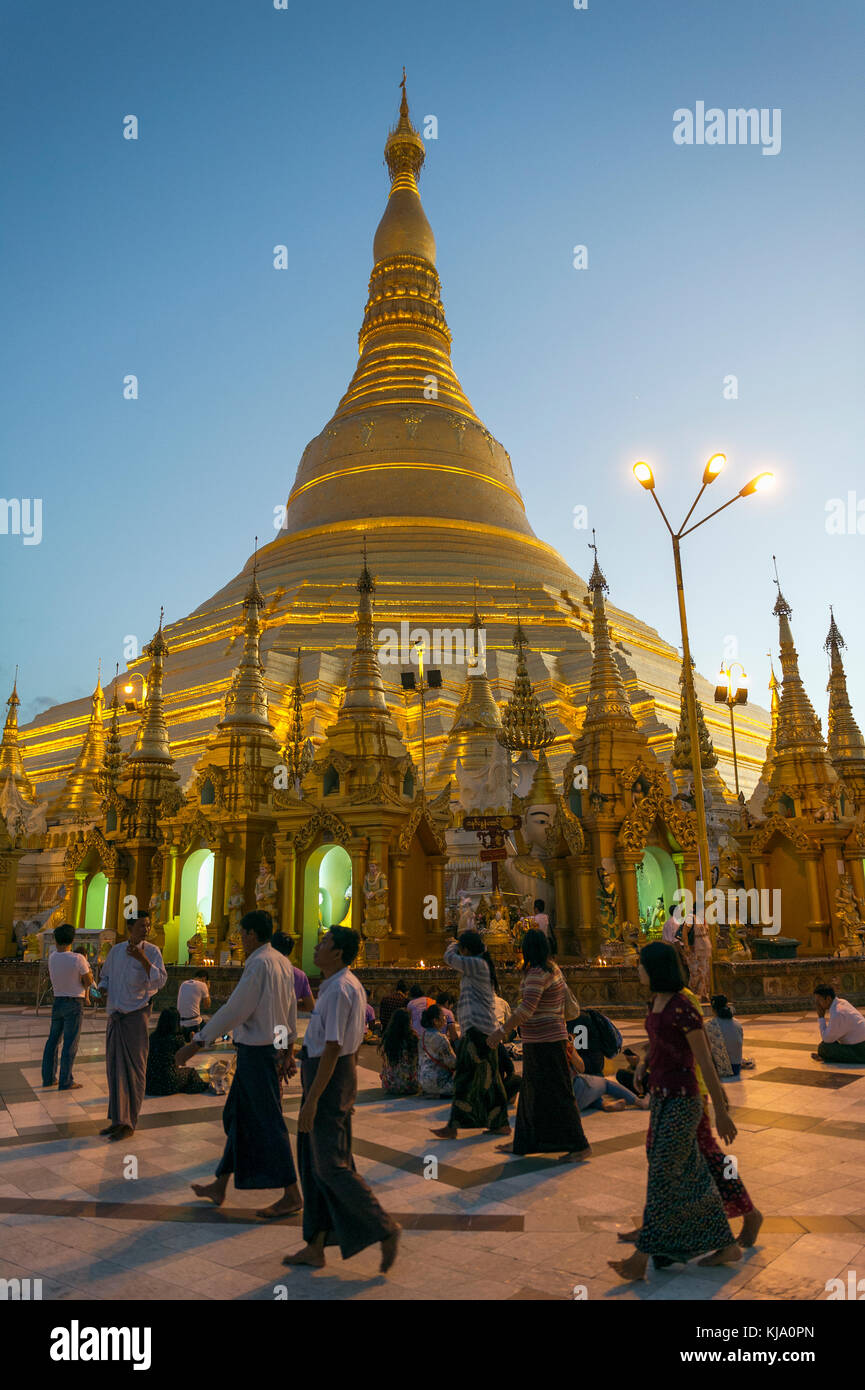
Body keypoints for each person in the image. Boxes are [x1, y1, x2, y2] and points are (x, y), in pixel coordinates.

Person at [609, 942, 742, 1281]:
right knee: (690, 1177)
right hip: (661, 1098)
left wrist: (722, 1109)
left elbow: (704, 1058)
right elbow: (658, 1041)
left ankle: (641, 1258)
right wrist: (643, 1065)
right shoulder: (657, 1001)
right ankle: (724, 1243)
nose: (636, 970)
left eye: (641, 965)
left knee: (664, 1177)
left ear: (656, 968)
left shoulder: (684, 1006)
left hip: (685, 1101)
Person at [283, 926, 400, 1273]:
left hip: (330, 1080)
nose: (316, 947)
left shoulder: (338, 991)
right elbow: (326, 1044)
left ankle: (384, 1226)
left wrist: (313, 1099)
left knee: (331, 1163)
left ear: (337, 953)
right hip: (326, 1073)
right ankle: (315, 1245)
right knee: (315, 1162)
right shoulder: (341, 984)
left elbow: (333, 1047)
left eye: (323, 943)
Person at [176, 911, 302, 1220]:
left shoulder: (259, 963)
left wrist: (197, 1042)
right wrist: (287, 1049)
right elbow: (289, 1009)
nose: (239, 939)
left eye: (241, 933)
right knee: (236, 1115)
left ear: (252, 935)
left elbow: (236, 1009)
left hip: (258, 1055)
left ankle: (292, 1193)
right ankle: (220, 1185)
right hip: (266, 1051)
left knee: (269, 1121)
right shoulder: (282, 962)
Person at [488, 928, 590, 1159]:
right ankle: (523, 1142)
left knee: (559, 1092)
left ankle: (579, 1144)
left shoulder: (537, 973)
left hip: (547, 1041)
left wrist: (501, 1032)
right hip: (543, 1040)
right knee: (532, 1093)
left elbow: (526, 1009)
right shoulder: (552, 968)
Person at [430, 930, 511, 1141]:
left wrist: (453, 943)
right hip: (480, 1029)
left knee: (465, 1077)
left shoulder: (476, 964)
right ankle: (499, 1123)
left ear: (466, 950)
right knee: (489, 1079)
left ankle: (454, 1126)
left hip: (478, 1030)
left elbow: (448, 958)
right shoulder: (477, 965)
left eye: (462, 949)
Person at [98, 912, 167, 1141]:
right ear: (129, 927)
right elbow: (105, 976)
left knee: (135, 1070)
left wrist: (142, 959)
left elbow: (160, 980)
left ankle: (130, 1122)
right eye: (141, 925)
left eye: (148, 925)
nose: (145, 929)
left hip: (136, 1015)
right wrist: (102, 988)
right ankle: (117, 1119)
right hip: (115, 1016)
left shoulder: (153, 951)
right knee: (114, 1069)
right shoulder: (116, 952)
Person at [41, 923, 92, 1091]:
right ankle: (66, 1080)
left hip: (58, 1000)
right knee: (70, 1042)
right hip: (74, 1002)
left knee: (53, 1041)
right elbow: (88, 981)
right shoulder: (78, 958)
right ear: (72, 939)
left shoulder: (52, 957)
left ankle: (48, 1078)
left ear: (56, 940)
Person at [567, 1041, 649, 1112]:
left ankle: (603, 1104)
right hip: (570, 1098)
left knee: (591, 1088)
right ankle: (639, 1102)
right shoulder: (563, 1041)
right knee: (604, 1083)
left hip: (557, 1105)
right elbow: (581, 1067)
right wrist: (572, 1049)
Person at [146, 1007, 210, 1096]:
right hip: (167, 1083)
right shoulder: (176, 1039)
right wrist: (192, 1043)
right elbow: (181, 1061)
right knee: (191, 1072)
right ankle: (204, 1087)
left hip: (150, 1084)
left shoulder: (152, 1037)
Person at [811, 984, 865, 1063]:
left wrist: (821, 1017)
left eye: (819, 1001)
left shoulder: (838, 1012)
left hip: (860, 1050)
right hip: (861, 1043)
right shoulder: (842, 1002)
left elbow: (826, 1039)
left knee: (824, 1048)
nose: (817, 1005)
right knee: (830, 1042)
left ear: (828, 999)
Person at [418, 1004, 457, 1097]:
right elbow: (452, 1063)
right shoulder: (441, 1038)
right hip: (440, 1083)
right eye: (443, 1016)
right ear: (435, 1021)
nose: (445, 1019)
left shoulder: (422, 1037)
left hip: (423, 1082)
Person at [378, 1008, 419, 1095]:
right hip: (410, 1086)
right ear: (408, 1022)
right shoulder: (412, 1036)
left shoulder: (388, 1036)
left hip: (389, 1085)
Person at [272, 931, 315, 1013]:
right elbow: (310, 1006)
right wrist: (291, 1005)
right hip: (287, 1023)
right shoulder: (300, 975)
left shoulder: (266, 970)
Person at [706, 995, 744, 1076]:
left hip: (720, 1069)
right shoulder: (737, 1023)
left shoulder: (709, 1025)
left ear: (713, 1009)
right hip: (736, 1067)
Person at [177, 970, 211, 1041]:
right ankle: (195, 1036)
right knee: (211, 1034)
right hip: (194, 1023)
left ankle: (188, 1036)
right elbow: (207, 1006)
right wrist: (207, 989)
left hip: (180, 1023)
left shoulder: (184, 983)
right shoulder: (203, 985)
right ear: (204, 978)